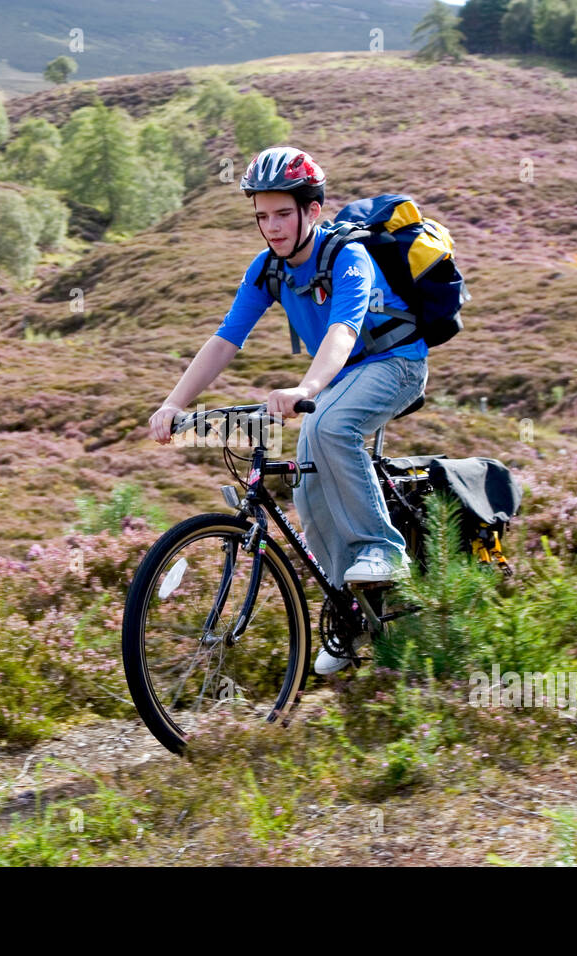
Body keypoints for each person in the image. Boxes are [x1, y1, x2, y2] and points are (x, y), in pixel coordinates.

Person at [147, 146, 429, 674]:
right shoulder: (267, 269)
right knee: (305, 475)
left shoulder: (349, 257)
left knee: (327, 425)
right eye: (262, 216)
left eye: (282, 213)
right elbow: (226, 339)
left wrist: (307, 387)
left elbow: (344, 330)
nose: (271, 227)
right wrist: (173, 403)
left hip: (396, 364)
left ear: (312, 210)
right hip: (342, 377)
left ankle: (382, 550)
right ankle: (352, 611)